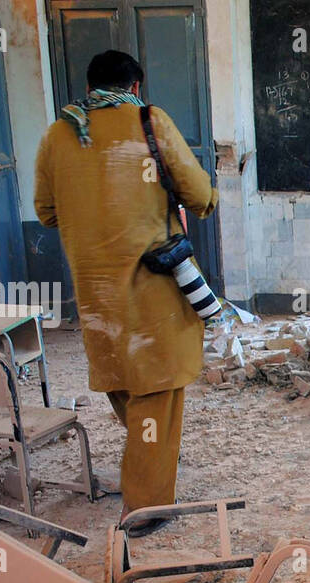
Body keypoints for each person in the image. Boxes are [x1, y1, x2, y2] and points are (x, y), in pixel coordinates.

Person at [35, 50, 217, 536]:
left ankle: (146, 458)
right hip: (151, 295)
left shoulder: (59, 134)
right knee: (156, 394)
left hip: (96, 303)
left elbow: (46, 212)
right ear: (135, 86)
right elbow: (201, 197)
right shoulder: (148, 121)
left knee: (127, 388)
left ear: (90, 86)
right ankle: (144, 509)